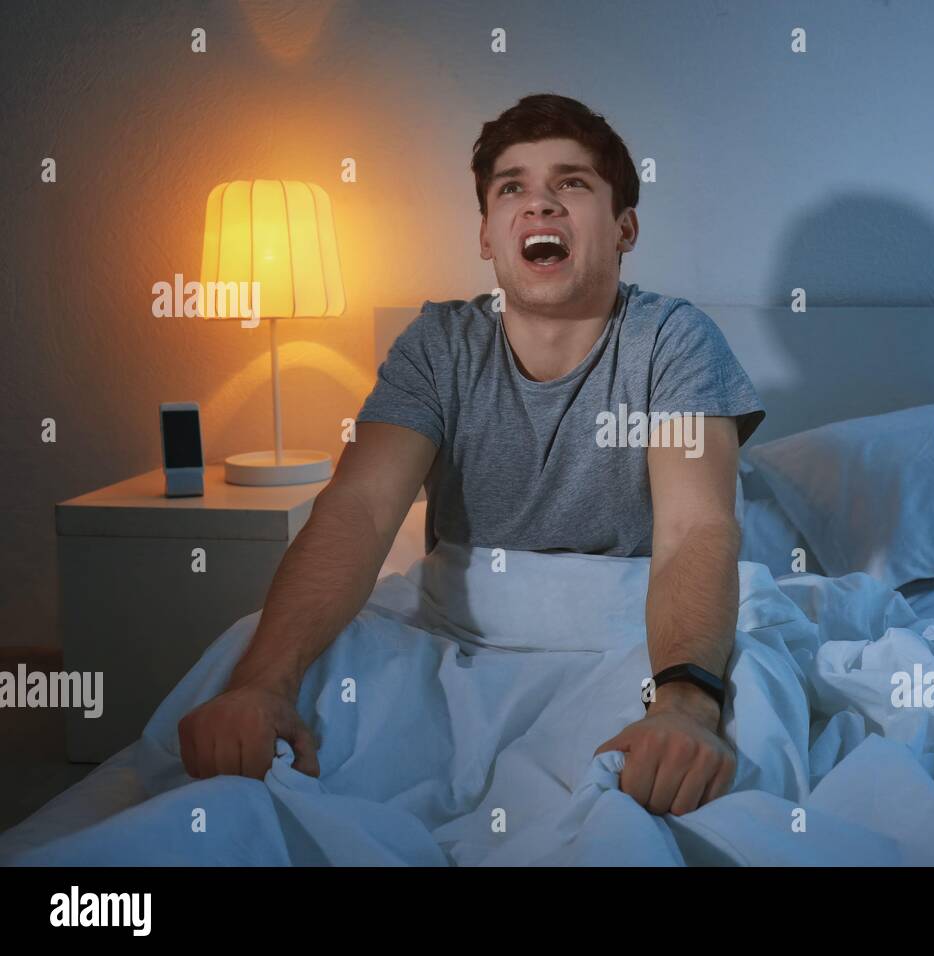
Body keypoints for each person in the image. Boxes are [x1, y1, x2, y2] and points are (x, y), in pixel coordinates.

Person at [178, 93, 766, 818]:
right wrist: (262, 684)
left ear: (624, 229)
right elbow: (360, 508)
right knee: (251, 706)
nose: (539, 205)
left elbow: (693, 528)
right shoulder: (437, 346)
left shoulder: (673, 340)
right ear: (488, 234)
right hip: (458, 628)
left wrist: (683, 703)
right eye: (512, 187)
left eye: (571, 184)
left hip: (626, 638)